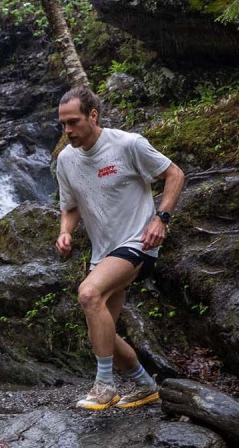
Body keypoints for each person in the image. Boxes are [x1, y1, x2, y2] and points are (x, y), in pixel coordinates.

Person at [54, 86, 185, 410]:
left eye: (73, 122)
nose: (67, 130)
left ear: (93, 115)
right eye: (63, 124)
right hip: (103, 252)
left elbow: (174, 174)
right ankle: (145, 385)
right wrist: (65, 232)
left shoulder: (128, 144)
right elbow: (70, 207)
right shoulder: (66, 160)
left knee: (89, 294)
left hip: (138, 242)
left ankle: (105, 386)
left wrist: (161, 219)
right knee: (102, 333)